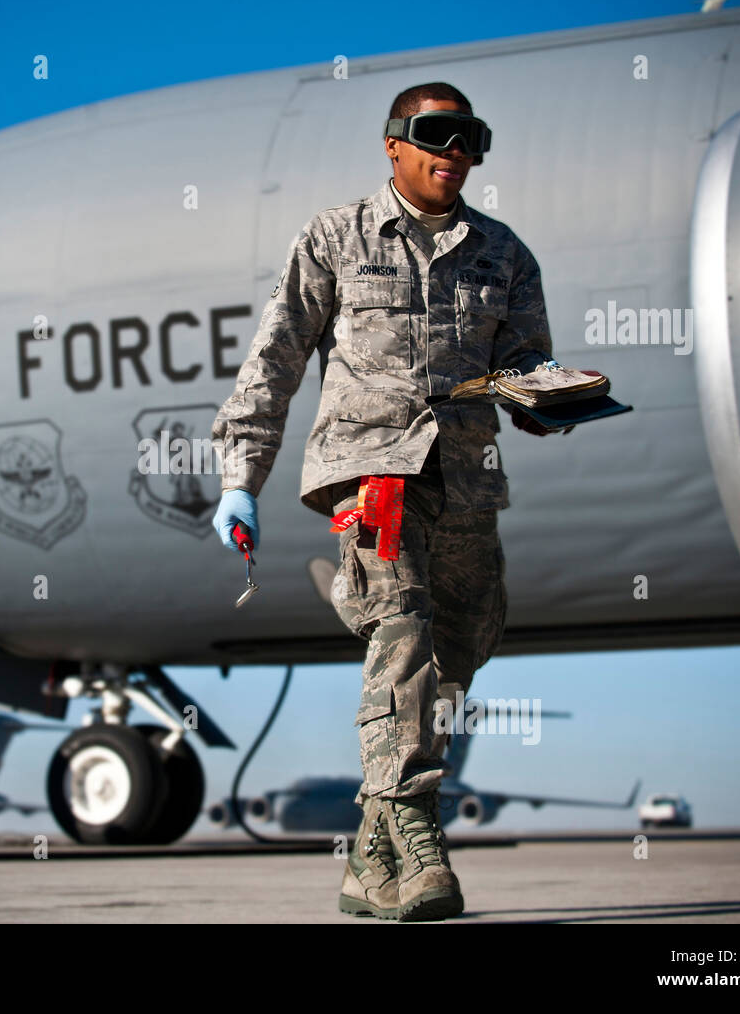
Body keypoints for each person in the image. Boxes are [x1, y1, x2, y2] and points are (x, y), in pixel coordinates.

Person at [211, 82, 554, 921]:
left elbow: (525, 367)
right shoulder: (336, 237)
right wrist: (239, 480)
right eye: (437, 134)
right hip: (373, 478)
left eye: (471, 137)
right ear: (393, 144)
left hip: (467, 476)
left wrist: (552, 401)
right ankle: (415, 832)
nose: (455, 151)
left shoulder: (503, 254)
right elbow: (276, 359)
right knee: (401, 636)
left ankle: (368, 857)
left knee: (465, 643)